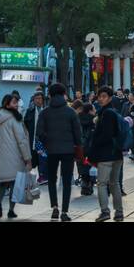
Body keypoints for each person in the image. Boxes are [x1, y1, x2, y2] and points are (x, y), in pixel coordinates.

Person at [36, 83, 82, 222]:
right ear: (63, 94)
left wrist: (48, 142)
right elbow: (77, 133)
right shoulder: (71, 112)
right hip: (68, 151)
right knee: (67, 181)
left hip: (51, 151)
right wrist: (77, 146)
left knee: (51, 179)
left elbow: (39, 133)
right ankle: (65, 211)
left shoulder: (45, 112)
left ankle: (55, 207)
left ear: (50, 95)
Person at [0, 93, 32, 219]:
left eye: (17, 102)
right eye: (14, 102)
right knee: (14, 184)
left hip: (0, 157)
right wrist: (27, 158)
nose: (17, 104)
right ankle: (11, 210)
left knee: (3, 183)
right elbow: (22, 141)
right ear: (7, 104)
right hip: (14, 157)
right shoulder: (14, 119)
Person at [86, 86, 126, 222]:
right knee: (114, 183)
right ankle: (119, 213)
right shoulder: (113, 112)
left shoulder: (107, 113)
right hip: (117, 154)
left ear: (109, 98)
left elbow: (106, 135)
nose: (101, 99)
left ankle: (105, 211)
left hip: (106, 155)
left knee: (102, 183)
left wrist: (94, 142)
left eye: (104, 96)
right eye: (99, 96)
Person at [76, 98, 97, 195]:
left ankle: (84, 184)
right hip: (91, 148)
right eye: (94, 109)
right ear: (90, 111)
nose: (95, 110)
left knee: (81, 165)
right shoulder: (93, 121)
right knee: (91, 166)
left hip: (79, 148)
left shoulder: (77, 119)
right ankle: (89, 185)